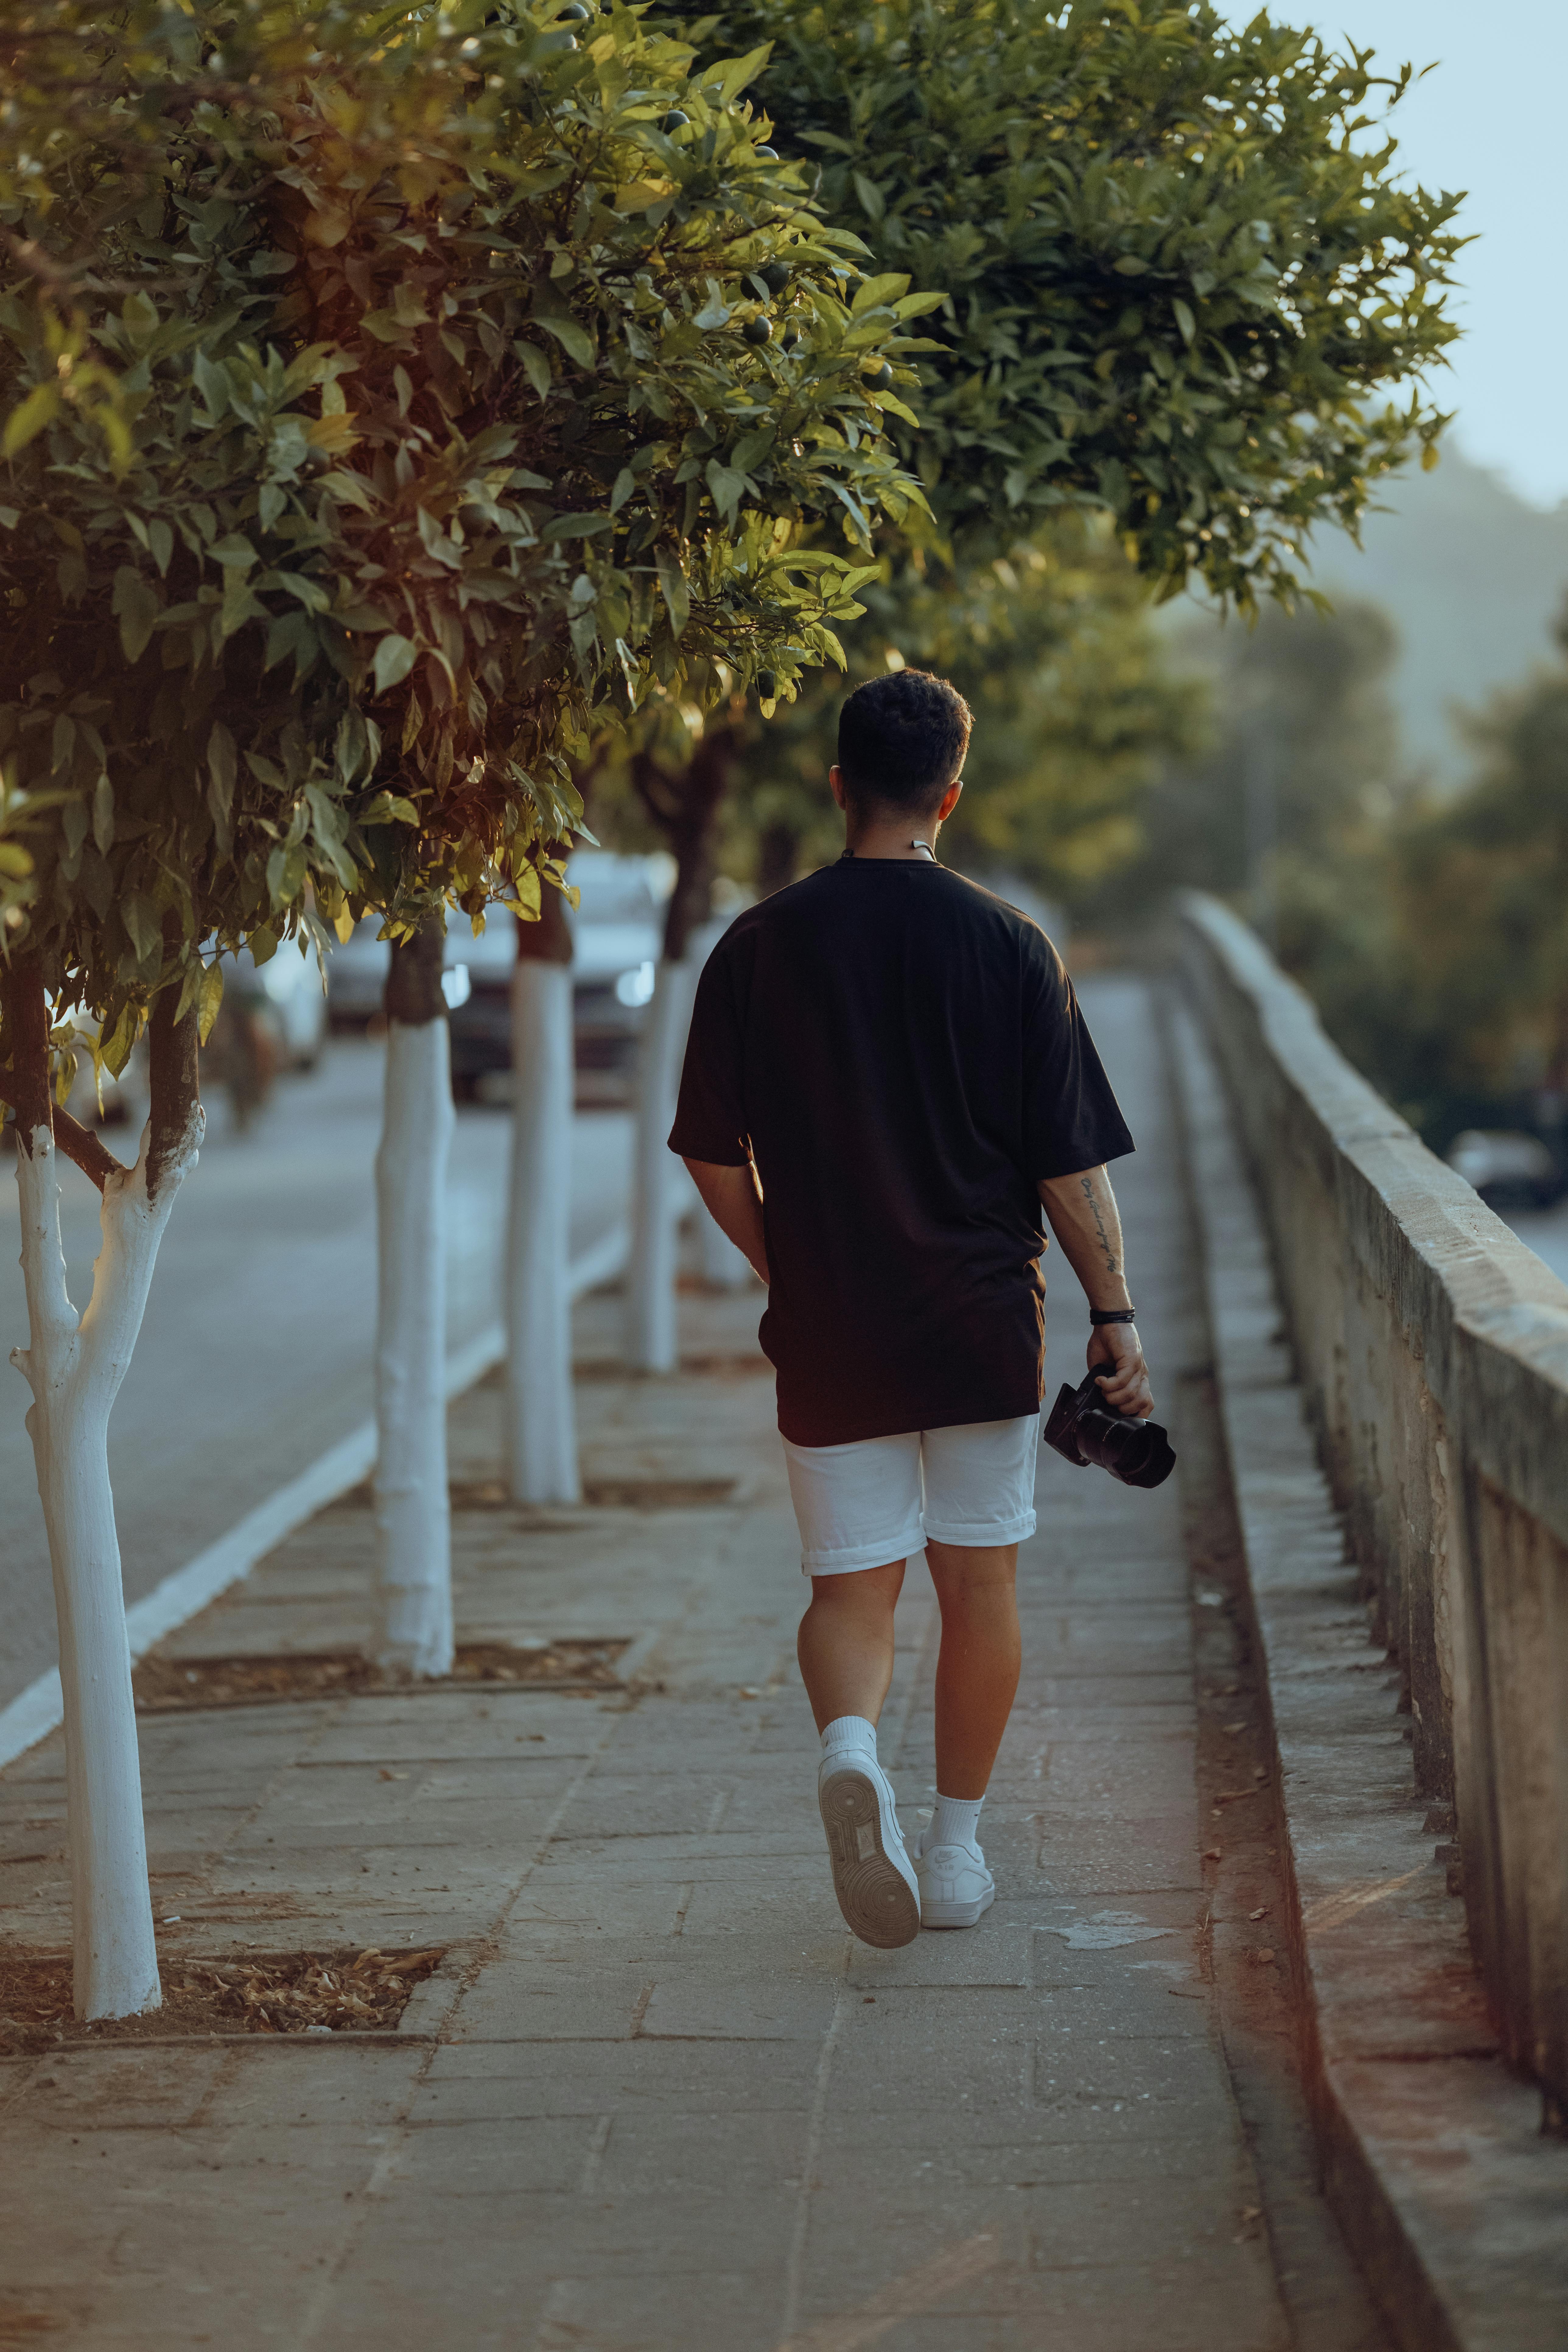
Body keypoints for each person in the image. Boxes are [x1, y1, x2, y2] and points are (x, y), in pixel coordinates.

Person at [668, 668, 1153, 1949]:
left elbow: (710, 1154)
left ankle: (850, 1754)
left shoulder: (758, 945)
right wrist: (1115, 1313)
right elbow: (1068, 1168)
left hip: (832, 1333)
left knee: (850, 1588)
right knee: (979, 1586)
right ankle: (953, 1856)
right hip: (980, 1323)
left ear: (838, 787)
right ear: (950, 795)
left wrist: (793, 1267)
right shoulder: (1009, 945)